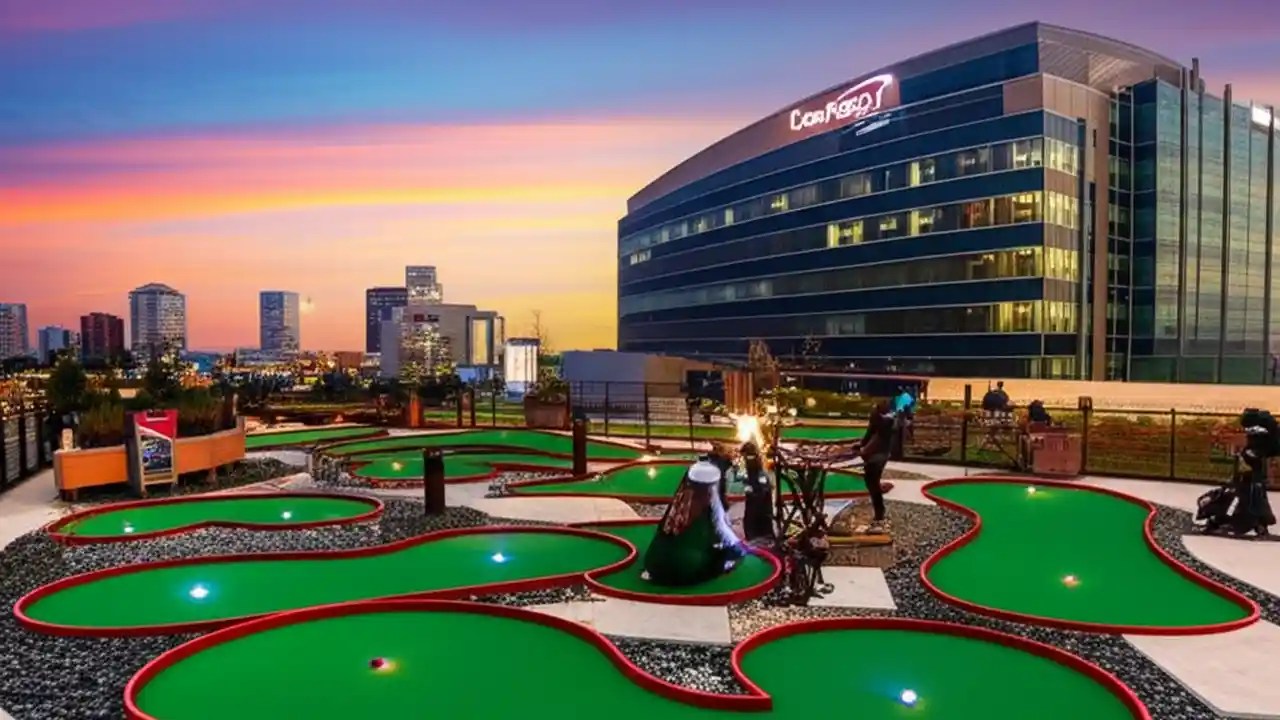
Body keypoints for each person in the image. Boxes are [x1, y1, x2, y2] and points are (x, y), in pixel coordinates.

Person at [642, 459, 747, 586]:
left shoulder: (679, 501)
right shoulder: (706, 505)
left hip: (654, 564)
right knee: (728, 554)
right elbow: (720, 534)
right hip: (687, 570)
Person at [1228, 408, 1278, 537]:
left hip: (1251, 477)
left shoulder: (1256, 439)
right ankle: (1259, 524)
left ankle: (1251, 523)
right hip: (1255, 477)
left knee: (1250, 497)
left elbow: (1252, 455)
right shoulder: (1264, 437)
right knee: (1254, 498)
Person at [857, 400, 895, 534]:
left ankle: (879, 513)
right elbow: (869, 433)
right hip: (878, 454)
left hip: (878, 455)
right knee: (871, 482)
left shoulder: (887, 421)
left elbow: (875, 436)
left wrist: (864, 449)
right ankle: (879, 512)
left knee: (872, 482)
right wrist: (861, 445)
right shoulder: (881, 418)